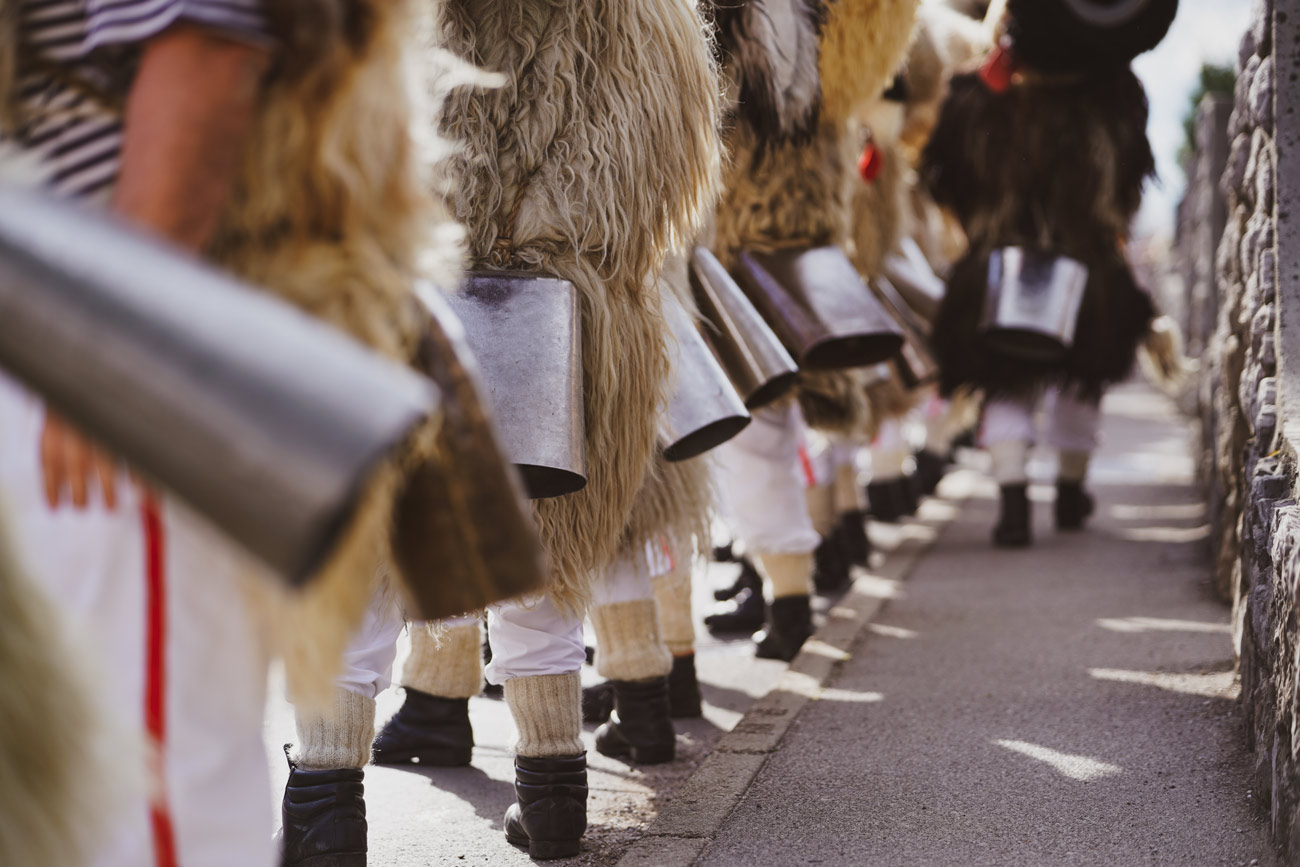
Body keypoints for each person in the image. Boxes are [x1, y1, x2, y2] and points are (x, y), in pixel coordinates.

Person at [0, 2, 461, 864]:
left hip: (95, 335)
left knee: (145, 802)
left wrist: (109, 347)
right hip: (61, 321)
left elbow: (203, 53)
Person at [921, 0, 1178, 546]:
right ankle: (1069, 488)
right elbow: (1129, 180)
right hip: (1088, 261)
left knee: (1004, 381)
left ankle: (1012, 493)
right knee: (1081, 379)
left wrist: (983, 227)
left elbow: (946, 177)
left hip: (994, 260)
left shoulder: (973, 95)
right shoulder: (1116, 97)